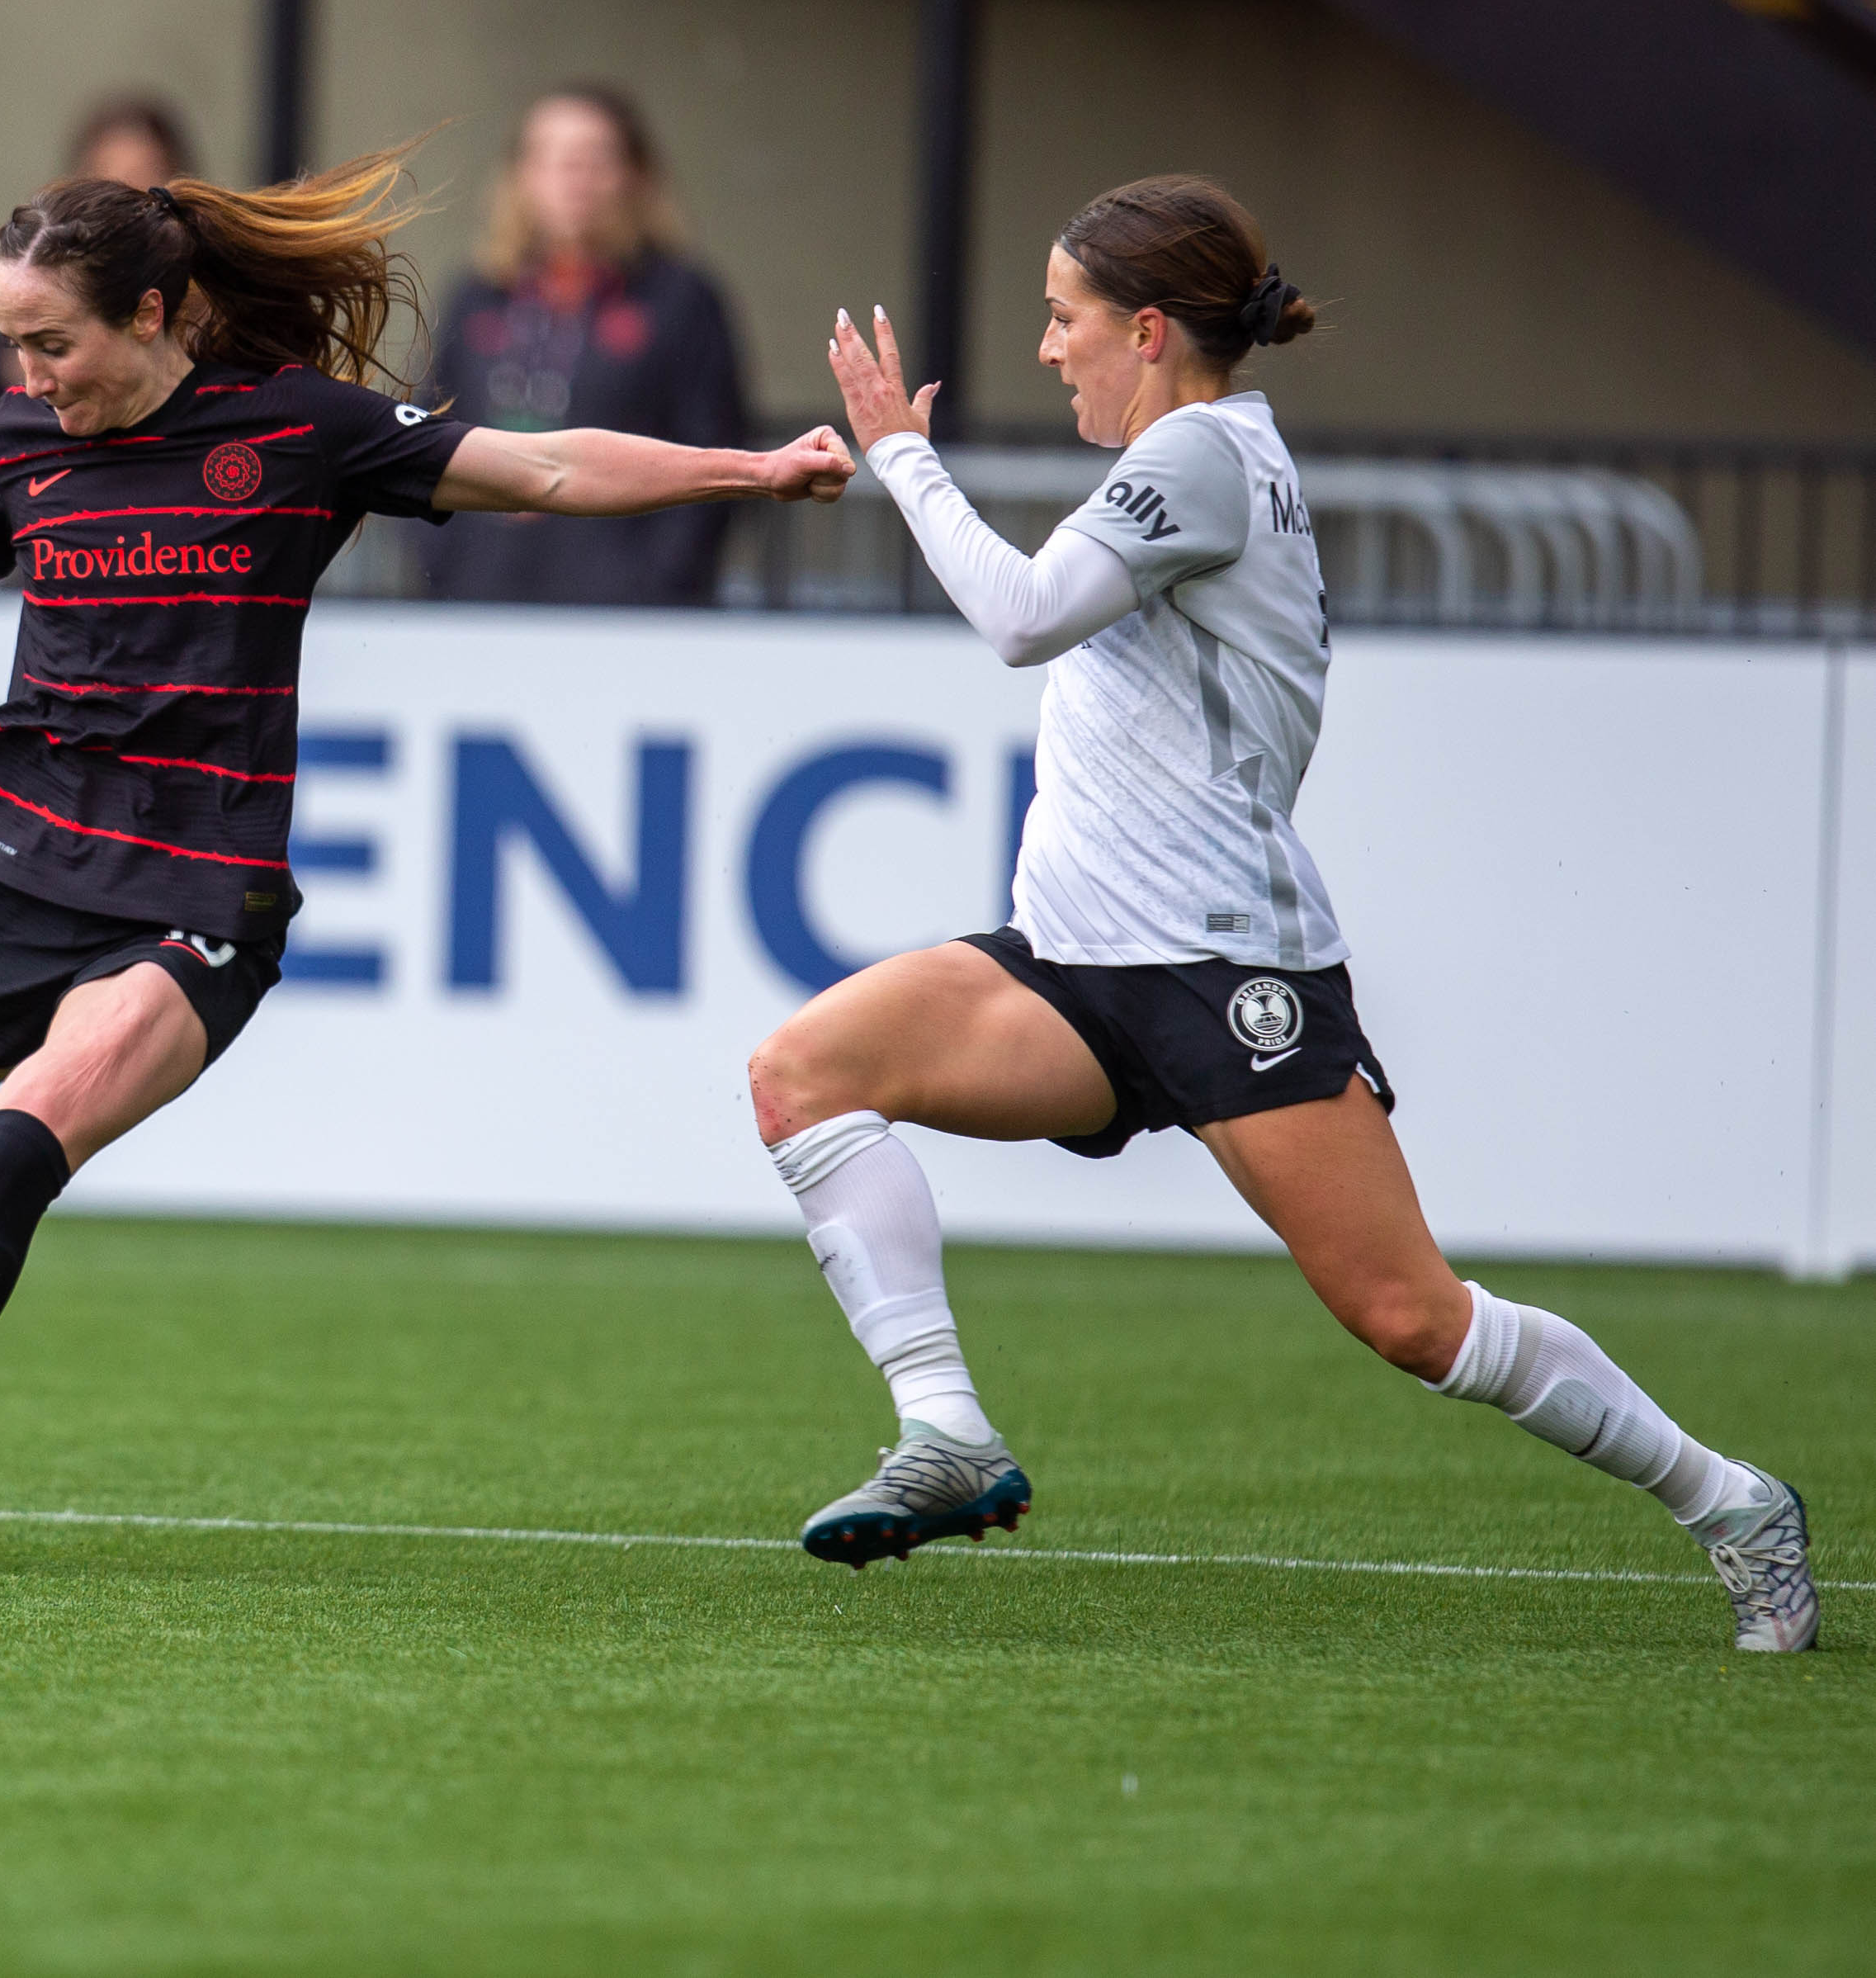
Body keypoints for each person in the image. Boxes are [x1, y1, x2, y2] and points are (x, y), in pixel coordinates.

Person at [0, 149, 855, 1569]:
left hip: (194, 902)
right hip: (14, 873)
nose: (27, 371)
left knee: (13, 1152)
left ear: (152, 315)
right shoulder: (20, 440)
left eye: (51, 341)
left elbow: (552, 465)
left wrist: (754, 469)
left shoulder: (300, 430)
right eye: (13, 339)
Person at [752, 174, 1812, 1652]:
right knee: (802, 1074)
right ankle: (946, 1432)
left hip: (1225, 971)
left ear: (1147, 326)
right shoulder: (1190, 454)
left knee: (1412, 1318)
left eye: (1062, 321)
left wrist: (905, 459)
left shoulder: (1198, 455)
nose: (1047, 350)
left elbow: (1019, 618)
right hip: (1074, 964)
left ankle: (1733, 1502)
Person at [415, 85, 754, 607]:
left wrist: (662, 581)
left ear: (634, 177)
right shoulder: (478, 295)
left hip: (628, 613)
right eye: (553, 159)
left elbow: (718, 446)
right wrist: (444, 567)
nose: (576, 178)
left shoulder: (680, 300)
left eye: (596, 159)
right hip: (479, 602)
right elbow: (420, 436)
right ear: (521, 177)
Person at [0, 92, 196, 442]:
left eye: (146, 181)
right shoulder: (39, 300)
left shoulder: (215, 306)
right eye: (107, 182)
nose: (128, 197)